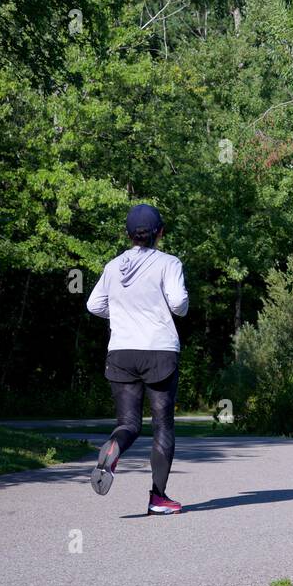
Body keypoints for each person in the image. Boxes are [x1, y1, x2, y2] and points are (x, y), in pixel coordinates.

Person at [86, 203, 189, 515]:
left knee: (128, 424)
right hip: (159, 350)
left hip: (121, 351)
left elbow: (94, 305)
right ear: (160, 232)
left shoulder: (112, 266)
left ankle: (114, 449)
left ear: (128, 234)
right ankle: (158, 498)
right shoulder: (169, 263)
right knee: (162, 426)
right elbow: (179, 303)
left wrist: (120, 314)